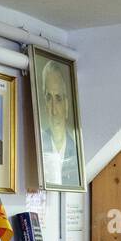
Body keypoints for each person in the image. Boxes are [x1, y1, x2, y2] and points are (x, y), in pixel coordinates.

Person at [39, 59, 81, 187]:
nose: (54, 110)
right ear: (45, 105)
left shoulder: (76, 152)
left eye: (58, 98)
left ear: (67, 106)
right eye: (49, 98)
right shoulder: (38, 147)